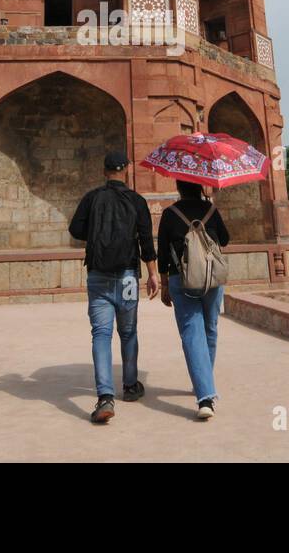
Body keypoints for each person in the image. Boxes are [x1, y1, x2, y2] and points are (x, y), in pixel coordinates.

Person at [68, 150, 160, 424]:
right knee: (128, 331)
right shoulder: (136, 200)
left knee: (101, 334)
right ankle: (130, 386)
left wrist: (97, 231)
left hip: (98, 276)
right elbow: (146, 241)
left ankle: (105, 397)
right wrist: (153, 274)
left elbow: (75, 229)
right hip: (129, 277)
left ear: (104, 171)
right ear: (127, 170)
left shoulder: (92, 198)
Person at [157, 179, 230, 420]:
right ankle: (204, 385)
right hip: (211, 279)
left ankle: (205, 395)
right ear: (200, 187)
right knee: (209, 329)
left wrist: (164, 282)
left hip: (182, 278)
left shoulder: (170, 214)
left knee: (191, 332)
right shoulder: (211, 210)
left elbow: (163, 252)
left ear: (178, 188)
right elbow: (225, 239)